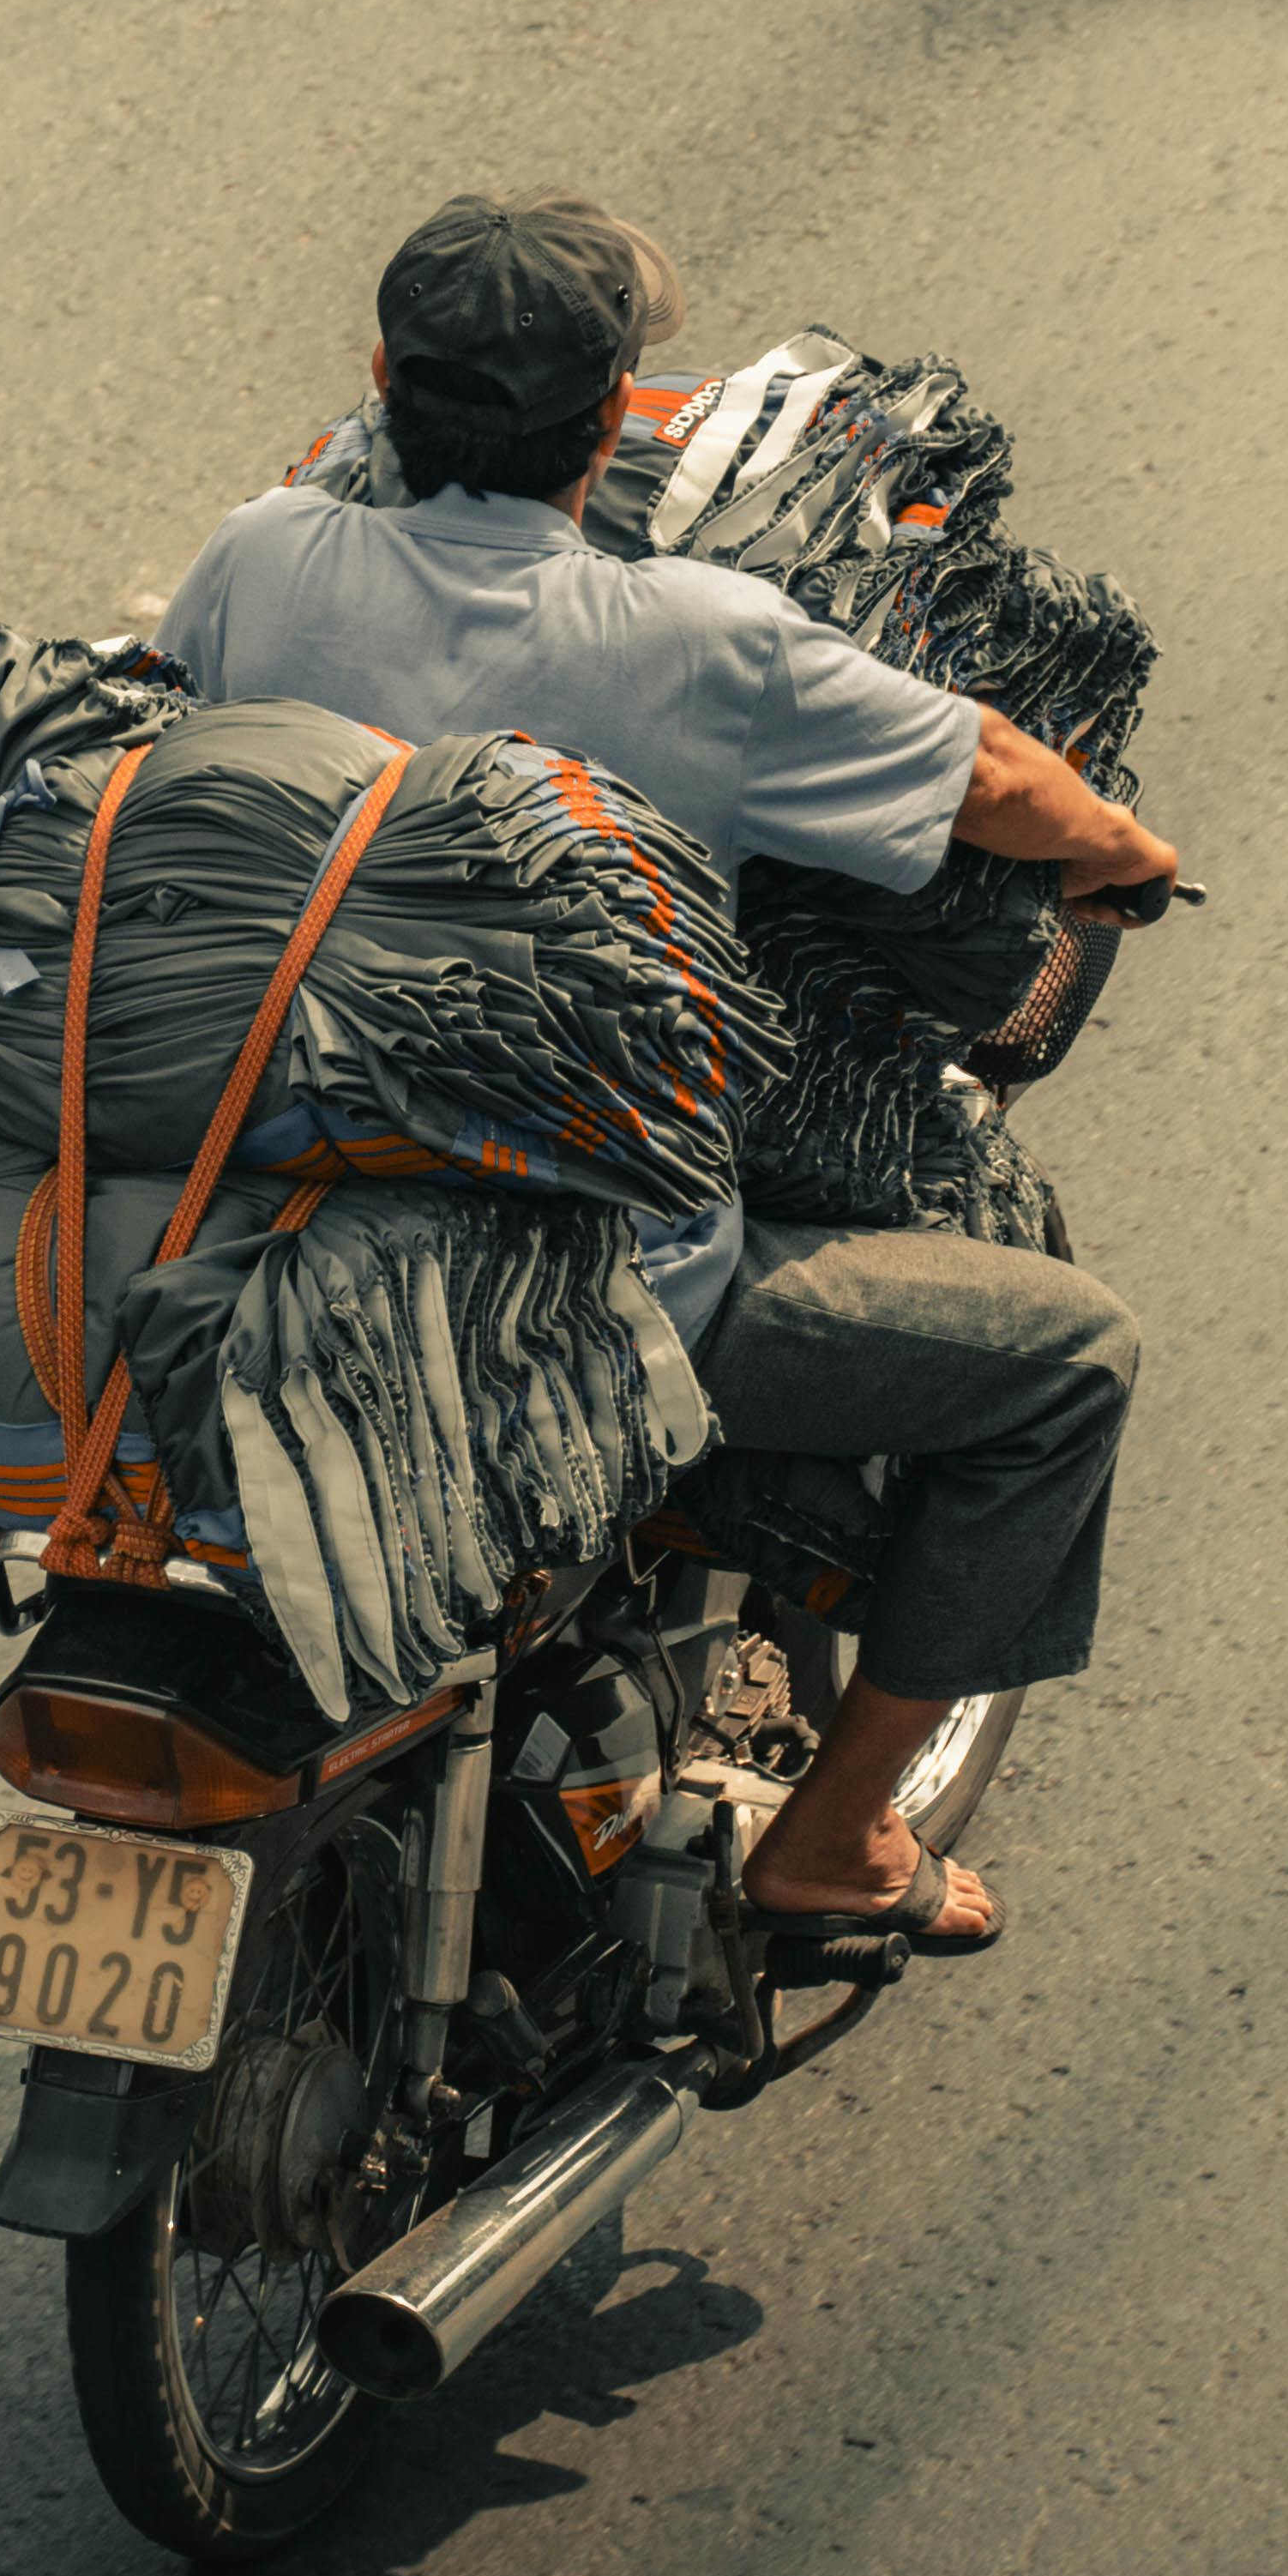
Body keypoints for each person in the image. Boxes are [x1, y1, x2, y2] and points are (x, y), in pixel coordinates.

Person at [157, 195, 1180, 1952]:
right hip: (591, 1292)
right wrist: (1118, 853)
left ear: (384, 384)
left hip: (253, 1215)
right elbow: (997, 779)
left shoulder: (260, 558)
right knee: (1067, 1364)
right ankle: (834, 1839)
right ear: (620, 414)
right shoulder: (697, 636)